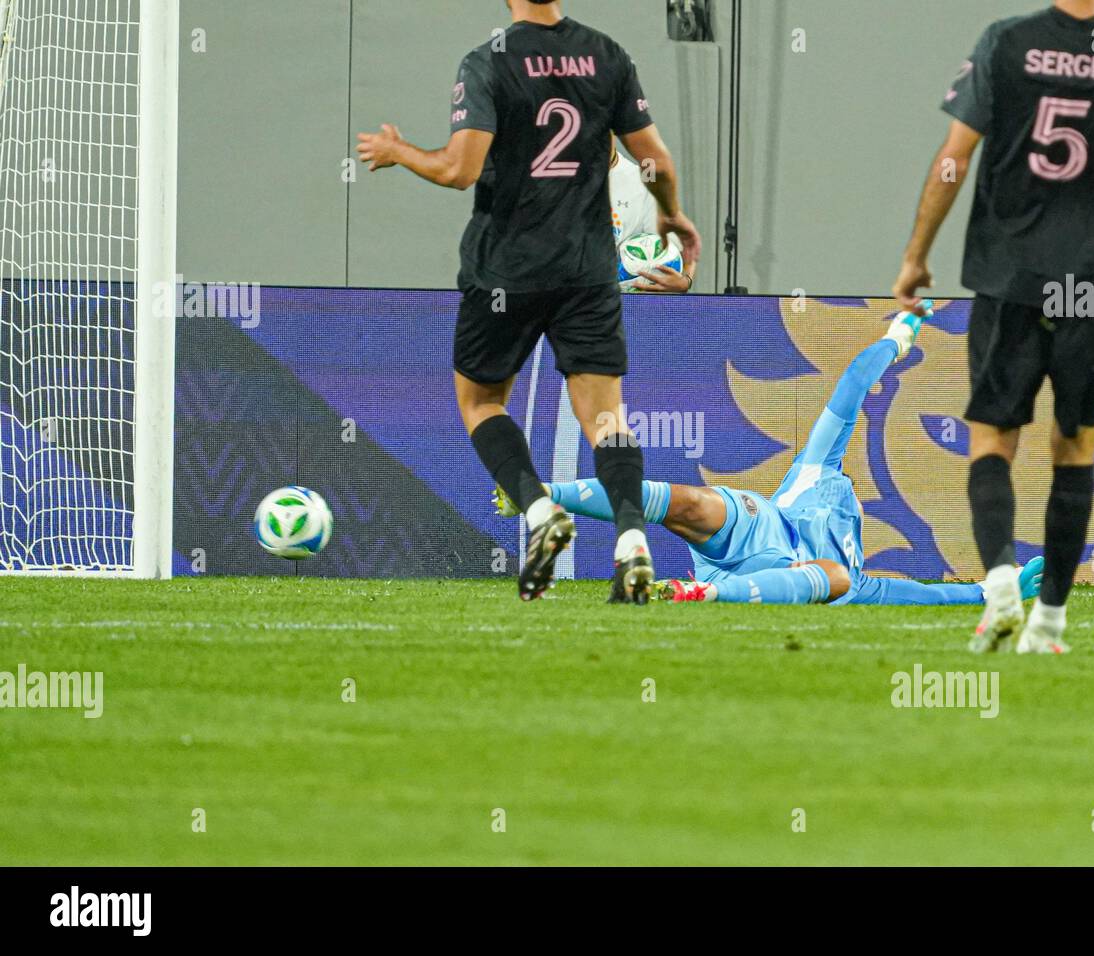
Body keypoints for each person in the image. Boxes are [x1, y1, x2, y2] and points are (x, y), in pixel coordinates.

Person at [892, 0, 1094, 652]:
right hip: (1090, 287)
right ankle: (1051, 623)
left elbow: (953, 159)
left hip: (1008, 279)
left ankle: (1003, 580)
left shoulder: (1005, 42)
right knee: (1074, 448)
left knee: (992, 441)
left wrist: (916, 254)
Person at [356, 0, 701, 604]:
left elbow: (460, 171)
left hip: (505, 273)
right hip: (586, 271)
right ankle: (631, 544)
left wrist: (398, 151)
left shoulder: (487, 60)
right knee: (607, 419)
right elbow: (654, 160)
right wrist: (673, 216)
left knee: (480, 401)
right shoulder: (607, 53)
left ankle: (541, 512)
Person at [497, 305, 1045, 607]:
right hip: (760, 527)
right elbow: (853, 384)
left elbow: (923, 596)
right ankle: (545, 495)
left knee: (837, 580)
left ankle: (700, 594)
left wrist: (985, 590)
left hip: (787, 572)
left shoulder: (860, 572)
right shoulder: (818, 470)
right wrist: (900, 336)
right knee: (694, 503)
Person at [609, 137, 695, 293]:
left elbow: (682, 247)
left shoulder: (643, 183)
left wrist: (685, 280)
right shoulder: (558, 180)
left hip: (619, 305)